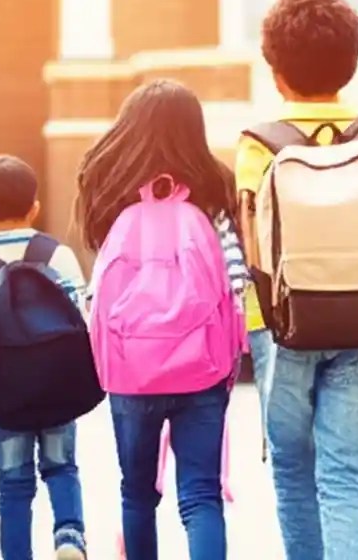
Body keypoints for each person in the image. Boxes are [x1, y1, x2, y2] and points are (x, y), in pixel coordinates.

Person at [235, 0, 358, 560]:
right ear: (352, 63)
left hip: (283, 325)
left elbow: (251, 247)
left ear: (275, 70)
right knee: (345, 474)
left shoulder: (258, 146)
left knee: (292, 471)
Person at [77, 78, 249, 560]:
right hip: (202, 364)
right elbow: (236, 275)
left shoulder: (108, 182)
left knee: (136, 493)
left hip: (132, 365)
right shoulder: (214, 184)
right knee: (200, 496)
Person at [0, 154, 90, 560]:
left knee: (14, 483)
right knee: (62, 468)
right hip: (58, 388)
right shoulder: (56, 254)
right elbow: (85, 318)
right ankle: (69, 538)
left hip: (6, 392)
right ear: (35, 207)